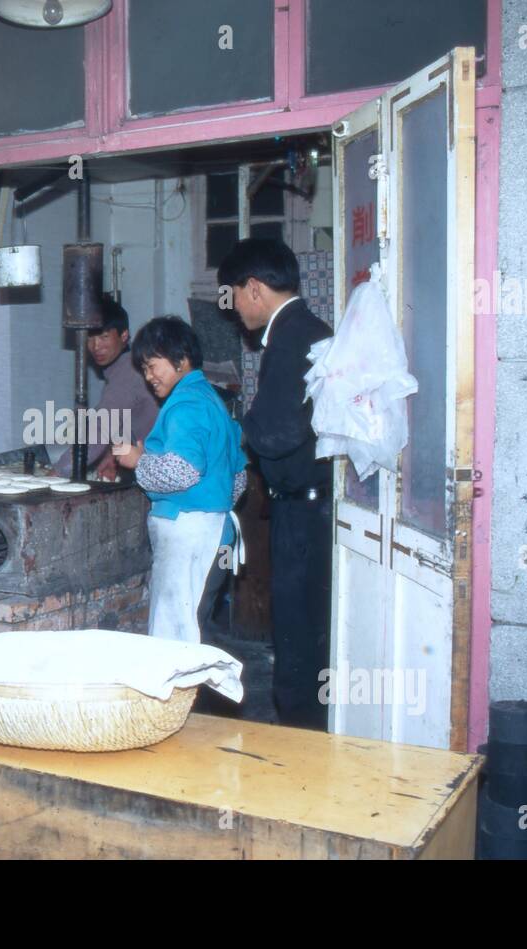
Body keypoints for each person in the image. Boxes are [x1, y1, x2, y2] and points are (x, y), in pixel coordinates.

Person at [218, 238, 333, 730]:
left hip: (303, 516)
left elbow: (280, 430)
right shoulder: (305, 328)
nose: (233, 307)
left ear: (255, 288)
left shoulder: (289, 337)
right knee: (303, 633)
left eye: (233, 295)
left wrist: (238, 430)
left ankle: (301, 752)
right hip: (308, 509)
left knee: (298, 639)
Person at [113, 316, 247, 643]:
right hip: (214, 534)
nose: (148, 377)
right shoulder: (212, 401)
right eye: (143, 369)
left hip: (189, 538)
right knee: (193, 630)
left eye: (152, 365)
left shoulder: (185, 405)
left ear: (181, 360)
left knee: (176, 640)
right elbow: (239, 478)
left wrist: (137, 460)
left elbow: (183, 471)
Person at [51, 295, 159, 481]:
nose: (95, 346)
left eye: (104, 337)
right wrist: (110, 454)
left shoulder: (128, 373)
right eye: (90, 338)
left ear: (124, 335)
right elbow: (125, 417)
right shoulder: (129, 365)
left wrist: (56, 474)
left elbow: (98, 432)